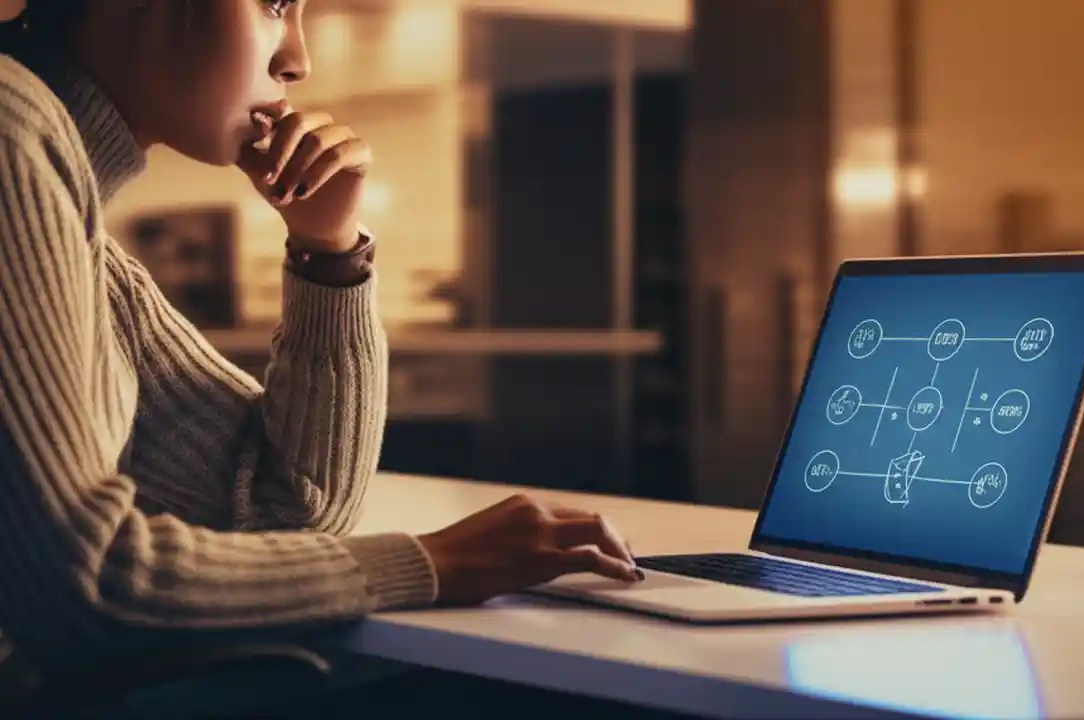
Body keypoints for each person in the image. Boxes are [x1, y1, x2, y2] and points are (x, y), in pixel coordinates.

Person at [0, 0, 642, 703]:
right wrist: (437, 561)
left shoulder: (77, 226)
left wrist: (328, 249)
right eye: (275, 4)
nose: (297, 59)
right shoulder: (12, 127)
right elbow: (79, 587)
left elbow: (285, 504)